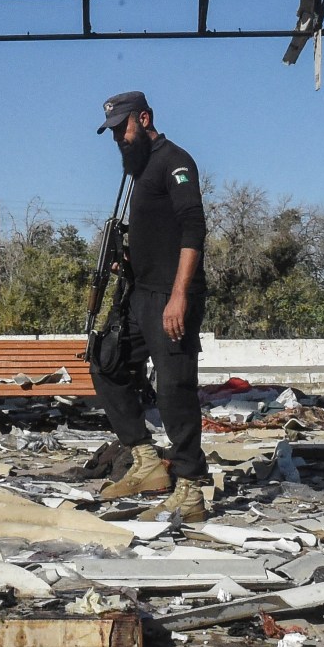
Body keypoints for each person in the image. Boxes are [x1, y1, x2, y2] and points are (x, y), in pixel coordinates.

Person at [89, 90, 210, 522]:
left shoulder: (175, 162)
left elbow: (193, 228)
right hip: (138, 294)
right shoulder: (139, 172)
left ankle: (192, 489)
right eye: (113, 132)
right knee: (106, 361)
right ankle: (146, 459)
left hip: (170, 295)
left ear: (144, 118)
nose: (119, 137)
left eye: (124, 127)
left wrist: (179, 294)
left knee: (174, 388)